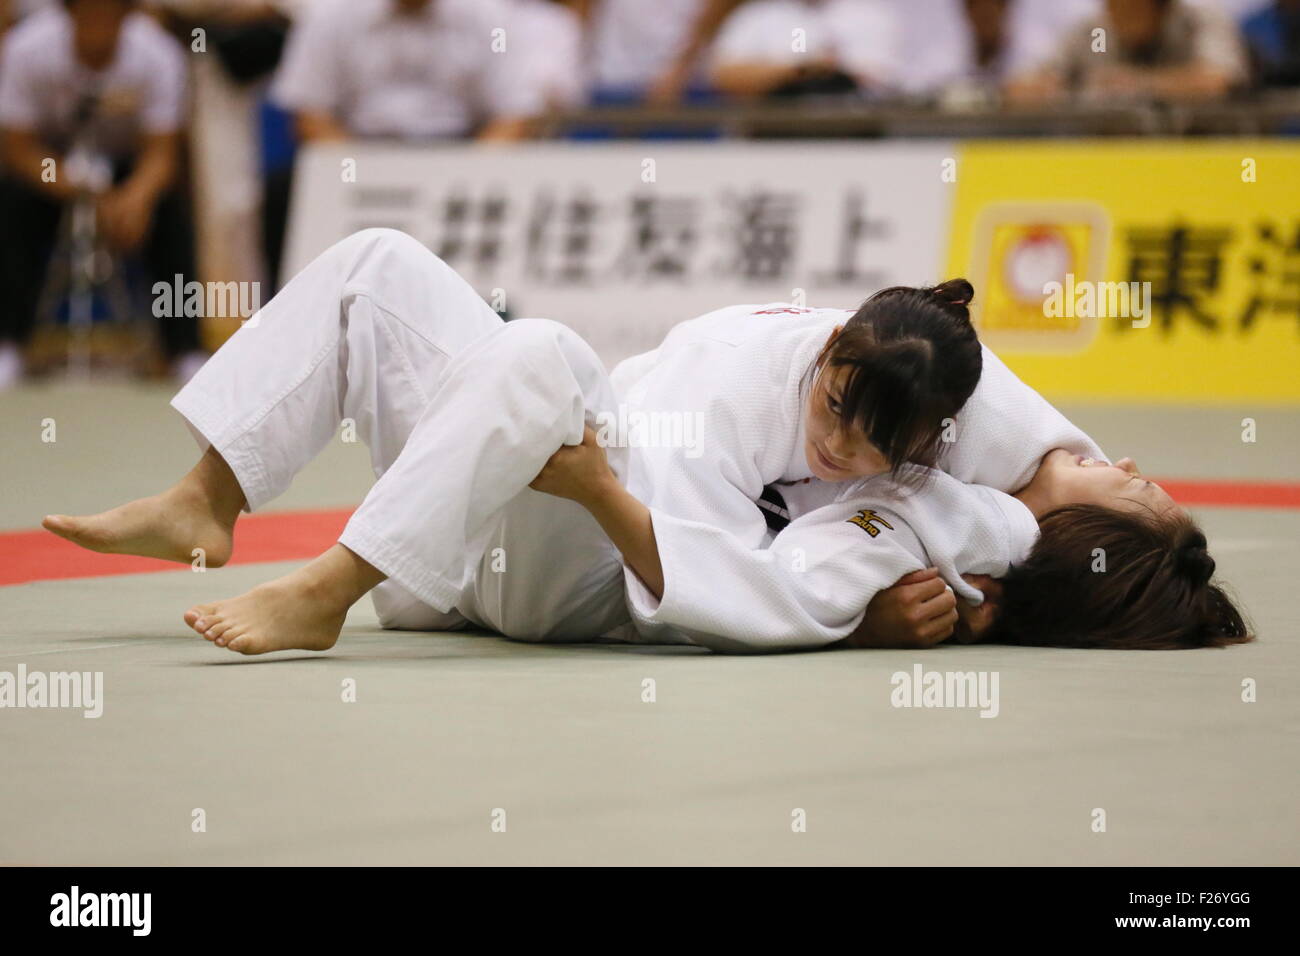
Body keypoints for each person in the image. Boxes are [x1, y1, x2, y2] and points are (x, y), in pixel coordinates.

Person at [41, 229, 1094, 655]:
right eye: (830, 409)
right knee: (380, 264)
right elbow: (720, 586)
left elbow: (1033, 463)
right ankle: (208, 496)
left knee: (537, 351)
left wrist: (1063, 499)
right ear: (830, 352)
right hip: (571, 522)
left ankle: (330, 584)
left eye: (871, 447)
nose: (836, 449)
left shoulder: (933, 415)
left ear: (923, 441)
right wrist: (594, 483)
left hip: (570, 564)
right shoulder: (739, 379)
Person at [0, 0, 204, 388]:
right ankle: (8, 343)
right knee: (12, 205)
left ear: (127, 13)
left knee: (173, 212)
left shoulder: (159, 54)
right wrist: (75, 186)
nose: (99, 21)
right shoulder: (26, 49)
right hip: (51, 165)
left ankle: (185, 350)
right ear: (69, 11)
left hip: (129, 167)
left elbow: (162, 153)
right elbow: (17, 147)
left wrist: (137, 196)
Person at [1006, 0, 1248, 103]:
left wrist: (1140, 84)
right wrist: (1066, 89)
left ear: (1161, 8)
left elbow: (1220, 80)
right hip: (1108, 159)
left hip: (1197, 154)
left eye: (1131, 7)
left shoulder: (1198, 20)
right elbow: (1020, 87)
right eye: (1111, 4)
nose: (1116, 14)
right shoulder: (1096, 32)